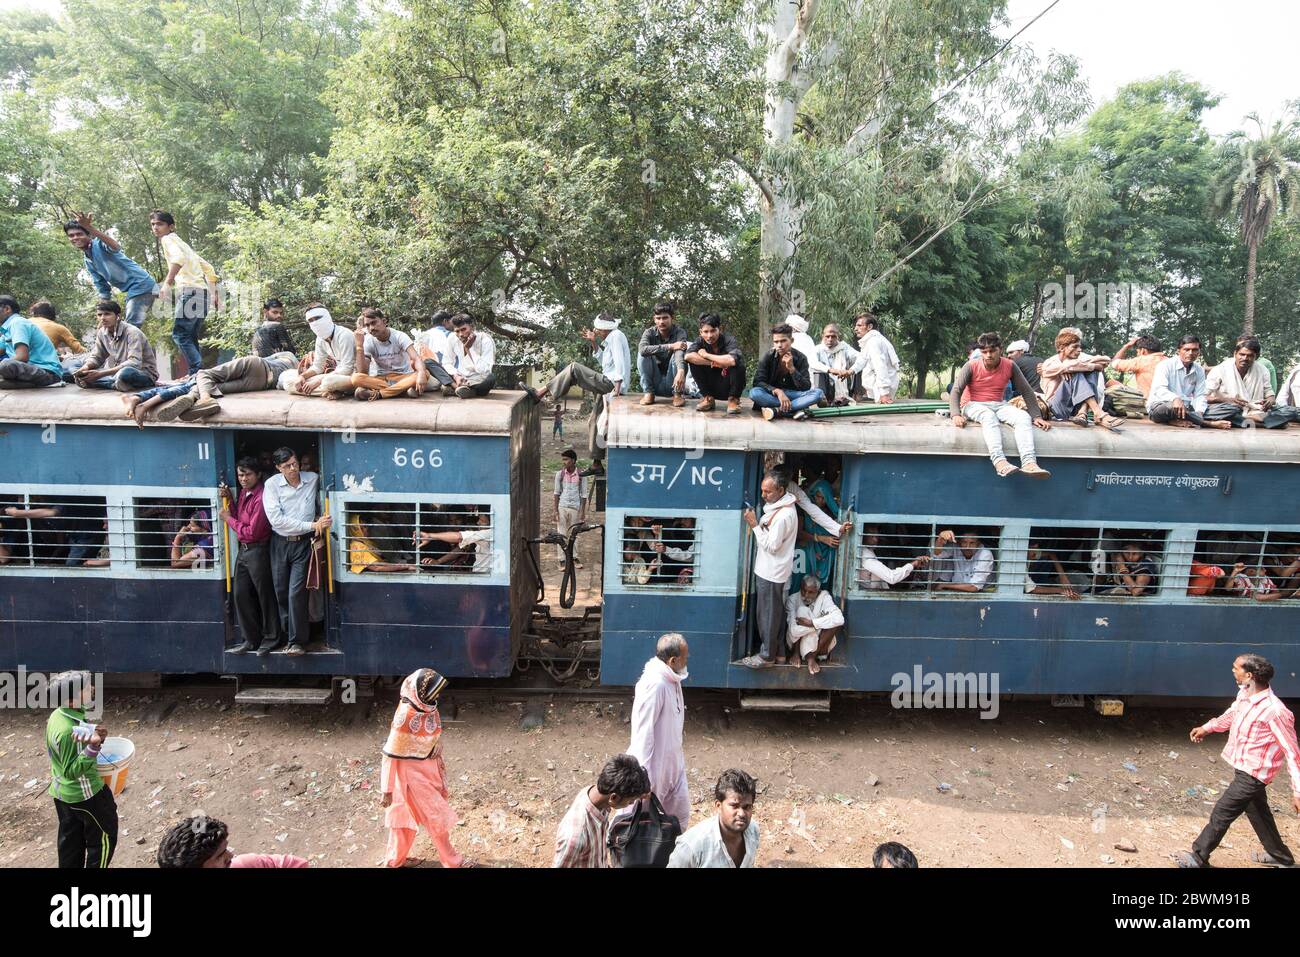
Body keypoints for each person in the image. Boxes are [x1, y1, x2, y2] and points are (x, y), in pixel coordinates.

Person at [1176, 654, 1300, 868]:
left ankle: (1198, 857)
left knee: (1222, 812)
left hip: (1254, 774)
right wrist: (1208, 728)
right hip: (1243, 768)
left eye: (1236, 668)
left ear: (1249, 675)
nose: (1233, 671)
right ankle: (1281, 857)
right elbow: (1233, 714)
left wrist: (1298, 791)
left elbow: (1292, 753)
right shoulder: (1245, 694)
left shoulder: (1275, 711)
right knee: (1259, 813)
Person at [381, 669, 474, 868]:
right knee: (436, 819)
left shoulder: (426, 708)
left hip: (427, 774)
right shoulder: (405, 716)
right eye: (433, 693)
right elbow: (390, 755)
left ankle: (394, 861)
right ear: (421, 693)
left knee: (405, 821)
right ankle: (453, 862)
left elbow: (429, 738)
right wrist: (386, 790)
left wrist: (436, 746)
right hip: (413, 780)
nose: (437, 697)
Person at [948, 332, 1052, 478]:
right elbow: (956, 391)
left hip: (999, 404)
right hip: (973, 404)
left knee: (1023, 417)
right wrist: (955, 414)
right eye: (984, 352)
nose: (988, 355)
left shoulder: (1010, 365)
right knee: (989, 417)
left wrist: (1036, 416)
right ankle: (999, 461)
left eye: (992, 351)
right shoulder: (971, 365)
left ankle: (1029, 463)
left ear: (1000, 349)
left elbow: (1027, 391)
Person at [529, 313, 630, 461]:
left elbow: (620, 365)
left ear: (604, 329)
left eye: (597, 330)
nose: (596, 332)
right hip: (611, 383)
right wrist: (594, 342)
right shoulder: (611, 339)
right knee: (594, 422)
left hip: (611, 384)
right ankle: (596, 464)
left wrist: (617, 389)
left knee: (574, 369)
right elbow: (605, 363)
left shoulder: (616, 336)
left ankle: (540, 393)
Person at [45, 670, 117, 868]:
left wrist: (93, 731)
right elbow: (71, 770)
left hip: (62, 795)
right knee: (103, 841)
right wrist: (93, 746)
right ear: (70, 701)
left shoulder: (57, 716)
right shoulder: (68, 731)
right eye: (85, 688)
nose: (92, 688)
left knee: (71, 845)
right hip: (86, 796)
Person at [263, 447, 330, 656]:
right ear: (278, 468)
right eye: (287, 466)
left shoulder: (312, 479)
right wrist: (312, 525)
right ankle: (286, 635)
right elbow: (277, 521)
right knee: (281, 591)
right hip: (280, 544)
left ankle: (297, 641)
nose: (293, 469)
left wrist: (320, 521)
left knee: (296, 593)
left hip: (304, 545)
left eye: (294, 463)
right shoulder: (272, 485)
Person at [626, 633, 690, 829]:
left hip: (673, 763)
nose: (687, 660)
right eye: (685, 657)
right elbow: (642, 733)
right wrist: (642, 775)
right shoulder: (655, 684)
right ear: (673, 660)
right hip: (654, 768)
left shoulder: (672, 678)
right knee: (640, 820)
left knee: (678, 814)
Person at [739, 472, 800, 667]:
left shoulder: (783, 516)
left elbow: (772, 547)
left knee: (767, 615)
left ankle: (767, 656)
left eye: (768, 492)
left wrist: (754, 524)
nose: (764, 495)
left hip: (771, 571)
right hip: (772, 570)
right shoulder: (782, 508)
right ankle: (780, 653)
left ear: (781, 491)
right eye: (762, 491)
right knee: (775, 613)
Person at [220, 459, 278, 654]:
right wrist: (230, 499)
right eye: (240, 475)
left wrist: (228, 519)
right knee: (240, 594)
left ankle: (271, 638)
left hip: (258, 550)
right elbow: (241, 518)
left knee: (265, 596)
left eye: (247, 475)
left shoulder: (261, 497)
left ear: (258, 475)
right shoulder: (245, 493)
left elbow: (251, 532)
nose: (243, 479)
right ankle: (250, 639)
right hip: (244, 551)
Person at [150, 210, 219, 375]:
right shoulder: (183, 244)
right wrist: (214, 294)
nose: (155, 228)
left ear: (170, 226)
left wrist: (167, 284)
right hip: (201, 293)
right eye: (153, 224)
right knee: (190, 336)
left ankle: (198, 372)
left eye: (159, 224)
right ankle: (196, 374)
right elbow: (209, 268)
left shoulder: (167, 240)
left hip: (189, 291)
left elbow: (178, 259)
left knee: (180, 335)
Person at [553, 754, 651, 868]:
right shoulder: (576, 836)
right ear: (613, 798)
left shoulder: (596, 794)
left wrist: (640, 793)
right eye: (631, 801)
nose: (631, 803)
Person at [63, 212, 158, 327]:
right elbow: (102, 288)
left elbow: (115, 246)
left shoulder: (99, 244)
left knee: (131, 328)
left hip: (141, 284)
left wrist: (89, 227)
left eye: (79, 234)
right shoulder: (88, 260)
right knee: (117, 329)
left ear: (88, 235)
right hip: (133, 290)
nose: (75, 238)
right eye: (71, 235)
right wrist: (101, 316)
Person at [666, 768, 759, 868]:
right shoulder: (691, 847)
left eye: (747, 807)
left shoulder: (753, 831)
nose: (741, 813)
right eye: (734, 806)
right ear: (718, 806)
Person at [1206, 336, 1300, 429]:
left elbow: (1270, 396)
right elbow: (1203, 397)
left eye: (1250, 355)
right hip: (1228, 410)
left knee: (1291, 411)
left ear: (1256, 356)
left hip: (1255, 411)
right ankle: (1261, 423)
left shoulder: (1263, 370)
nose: (1245, 358)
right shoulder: (1220, 369)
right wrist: (1226, 400)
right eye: (1242, 354)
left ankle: (1244, 421)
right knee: (1231, 410)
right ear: (1235, 354)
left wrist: (1269, 402)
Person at [1039, 330, 1125, 430]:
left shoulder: (1078, 360)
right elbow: (1070, 366)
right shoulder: (1049, 363)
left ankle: (1082, 412)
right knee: (1078, 372)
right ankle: (1098, 413)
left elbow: (1106, 360)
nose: (1079, 350)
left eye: (1080, 347)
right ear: (1062, 348)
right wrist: (1092, 366)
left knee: (1090, 372)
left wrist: (1085, 366)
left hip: (1075, 406)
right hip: (1056, 408)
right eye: (1075, 347)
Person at [1147, 335, 1232, 430]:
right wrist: (1175, 398)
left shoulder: (1199, 369)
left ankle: (1183, 419)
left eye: (1195, 350)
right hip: (1161, 407)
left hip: (1186, 408)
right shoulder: (1165, 365)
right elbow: (1159, 389)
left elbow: (1200, 395)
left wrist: (1199, 412)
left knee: (1231, 408)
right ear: (1178, 351)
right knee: (1171, 407)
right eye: (1186, 350)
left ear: (1199, 352)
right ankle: (1208, 423)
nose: (1191, 353)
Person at [157, 815, 309, 868]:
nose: (231, 856)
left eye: (226, 850)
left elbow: (294, 864)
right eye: (220, 856)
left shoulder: (245, 864)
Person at [72, 300, 158, 392]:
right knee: (78, 375)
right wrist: (85, 368)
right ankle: (115, 384)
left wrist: (101, 374)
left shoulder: (132, 332)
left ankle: (109, 383)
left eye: (107, 314)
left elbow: (134, 363)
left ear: (118, 316)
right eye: (99, 315)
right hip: (115, 374)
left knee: (125, 373)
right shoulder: (102, 333)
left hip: (142, 373)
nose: (103, 318)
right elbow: (97, 357)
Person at [350, 306, 433, 400]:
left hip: (403, 377)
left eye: (373, 323)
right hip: (381, 379)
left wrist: (421, 373)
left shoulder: (399, 336)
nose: (371, 328)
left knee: (425, 373)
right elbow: (363, 372)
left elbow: (416, 358)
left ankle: (379, 394)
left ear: (384, 322)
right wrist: (359, 346)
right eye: (367, 325)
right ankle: (402, 391)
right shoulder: (369, 341)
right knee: (356, 378)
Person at [277, 305, 358, 398]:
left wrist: (318, 381)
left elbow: (347, 368)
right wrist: (302, 377)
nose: (314, 323)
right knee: (289, 383)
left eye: (317, 318)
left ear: (328, 317)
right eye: (310, 320)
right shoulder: (320, 339)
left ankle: (339, 390)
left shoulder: (344, 335)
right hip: (336, 375)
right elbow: (317, 367)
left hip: (353, 376)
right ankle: (332, 391)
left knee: (328, 382)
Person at [750, 323, 823, 420]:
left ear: (791, 341)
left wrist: (792, 369)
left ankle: (777, 410)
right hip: (773, 395)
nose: (779, 345)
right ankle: (793, 409)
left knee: (818, 393)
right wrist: (777, 391)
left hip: (793, 395)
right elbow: (758, 382)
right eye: (776, 342)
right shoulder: (768, 356)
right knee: (754, 393)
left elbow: (806, 387)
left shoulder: (801, 358)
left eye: (783, 341)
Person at [683, 313, 745, 414]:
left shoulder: (729, 340)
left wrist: (706, 355)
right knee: (694, 362)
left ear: (719, 329)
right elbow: (688, 356)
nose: (709, 335)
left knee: (739, 364)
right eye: (706, 332)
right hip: (710, 385)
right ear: (700, 332)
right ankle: (708, 398)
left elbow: (731, 360)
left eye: (713, 331)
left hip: (728, 385)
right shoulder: (699, 341)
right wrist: (714, 362)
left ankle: (733, 400)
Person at [0, 295, 63, 389]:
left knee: (6, 365)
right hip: (30, 370)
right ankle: (18, 383)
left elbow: (22, 357)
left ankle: (17, 383)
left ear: (7, 309)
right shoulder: (7, 328)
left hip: (48, 373)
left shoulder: (17, 323)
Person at [785, 575, 844, 675]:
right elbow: (794, 630)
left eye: (811, 592)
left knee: (833, 623)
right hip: (796, 644)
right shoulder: (793, 599)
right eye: (804, 590)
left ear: (818, 590)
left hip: (818, 646)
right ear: (801, 587)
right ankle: (796, 654)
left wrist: (812, 623)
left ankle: (812, 657)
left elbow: (840, 619)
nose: (806, 595)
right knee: (802, 610)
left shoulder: (824, 597)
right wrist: (818, 626)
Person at [637, 301, 688, 406]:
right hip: (655, 382)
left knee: (679, 353)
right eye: (658, 318)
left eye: (665, 318)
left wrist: (681, 371)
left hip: (673, 381)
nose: (661, 321)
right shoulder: (649, 332)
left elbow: (679, 352)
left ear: (672, 318)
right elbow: (642, 350)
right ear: (654, 319)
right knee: (643, 354)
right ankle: (648, 393)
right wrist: (670, 346)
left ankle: (678, 395)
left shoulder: (680, 332)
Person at [794, 478, 840, 591]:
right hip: (808, 551)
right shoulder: (804, 509)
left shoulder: (831, 512)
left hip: (826, 555)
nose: (821, 501)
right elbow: (799, 533)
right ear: (813, 494)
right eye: (819, 496)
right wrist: (819, 539)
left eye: (825, 498)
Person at [415, 510, 494, 573]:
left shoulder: (480, 533)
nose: (454, 523)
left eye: (458, 519)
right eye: (451, 520)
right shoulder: (445, 532)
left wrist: (439, 561)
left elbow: (460, 545)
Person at [857, 524, 929, 590]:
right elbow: (892, 577)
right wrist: (913, 564)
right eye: (872, 536)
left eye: (876, 534)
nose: (876, 539)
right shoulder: (867, 557)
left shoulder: (868, 551)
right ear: (863, 536)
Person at [1109, 335, 1165, 415]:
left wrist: (1126, 346)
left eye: (1137, 352)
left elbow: (1114, 363)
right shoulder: (1168, 361)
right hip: (1168, 403)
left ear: (1143, 350)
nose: (1137, 354)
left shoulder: (1141, 360)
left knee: (1111, 382)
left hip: (1148, 404)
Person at [442, 313, 495, 398]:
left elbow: (484, 370)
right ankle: (463, 389)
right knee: (432, 364)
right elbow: (446, 362)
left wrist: (469, 349)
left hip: (478, 379)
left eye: (463, 329)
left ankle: (461, 389)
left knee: (490, 378)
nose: (460, 334)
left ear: (472, 327)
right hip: (460, 377)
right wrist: (456, 375)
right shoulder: (452, 338)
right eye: (457, 331)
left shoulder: (485, 340)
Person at [853, 312, 901, 403]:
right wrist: (849, 371)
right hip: (880, 390)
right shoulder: (873, 340)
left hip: (882, 392)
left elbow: (880, 367)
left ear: (869, 327)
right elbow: (862, 361)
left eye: (859, 325)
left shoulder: (873, 342)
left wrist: (884, 393)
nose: (856, 329)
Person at [810, 323, 862, 407]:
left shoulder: (844, 347)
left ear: (838, 336)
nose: (830, 339)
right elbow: (813, 363)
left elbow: (861, 358)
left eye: (833, 336)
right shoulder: (817, 349)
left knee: (858, 368)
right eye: (827, 336)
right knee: (818, 372)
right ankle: (821, 400)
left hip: (841, 383)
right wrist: (831, 370)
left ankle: (850, 396)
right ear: (822, 336)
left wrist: (849, 371)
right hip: (824, 387)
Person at [553, 449, 588, 568]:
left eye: (566, 459)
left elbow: (584, 495)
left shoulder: (582, 475)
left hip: (575, 508)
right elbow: (556, 493)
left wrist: (583, 512)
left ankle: (574, 557)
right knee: (561, 533)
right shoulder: (560, 474)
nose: (564, 462)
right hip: (562, 506)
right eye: (563, 459)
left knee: (574, 533)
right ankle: (562, 559)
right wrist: (555, 510)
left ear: (573, 460)